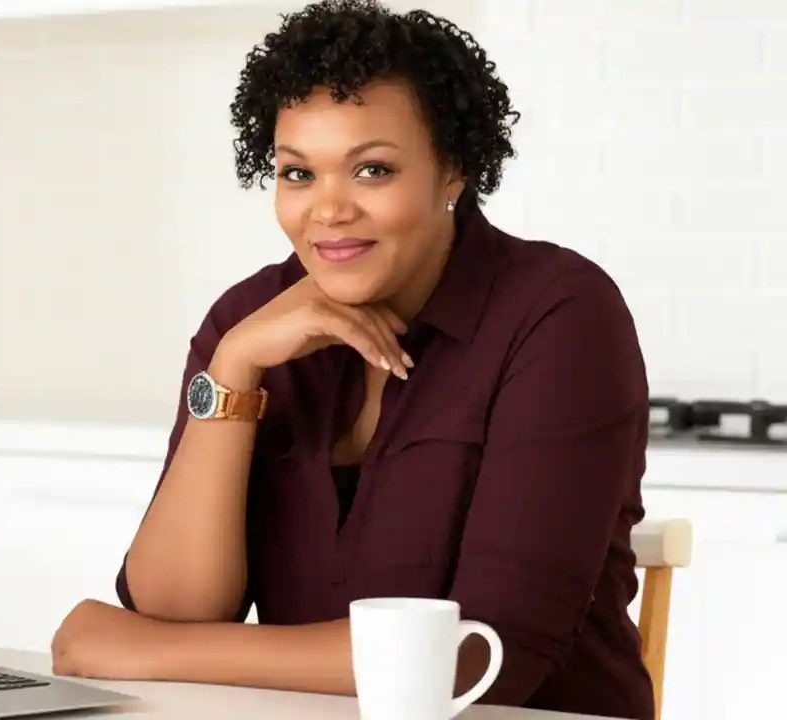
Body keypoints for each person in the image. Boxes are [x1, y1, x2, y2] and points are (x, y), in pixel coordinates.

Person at [49, 1, 655, 718]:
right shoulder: (249, 320)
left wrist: (138, 650)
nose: (328, 210)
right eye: (298, 173)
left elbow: (483, 657)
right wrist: (237, 367)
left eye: (371, 170)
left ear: (454, 169)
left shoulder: (558, 315)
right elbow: (176, 605)